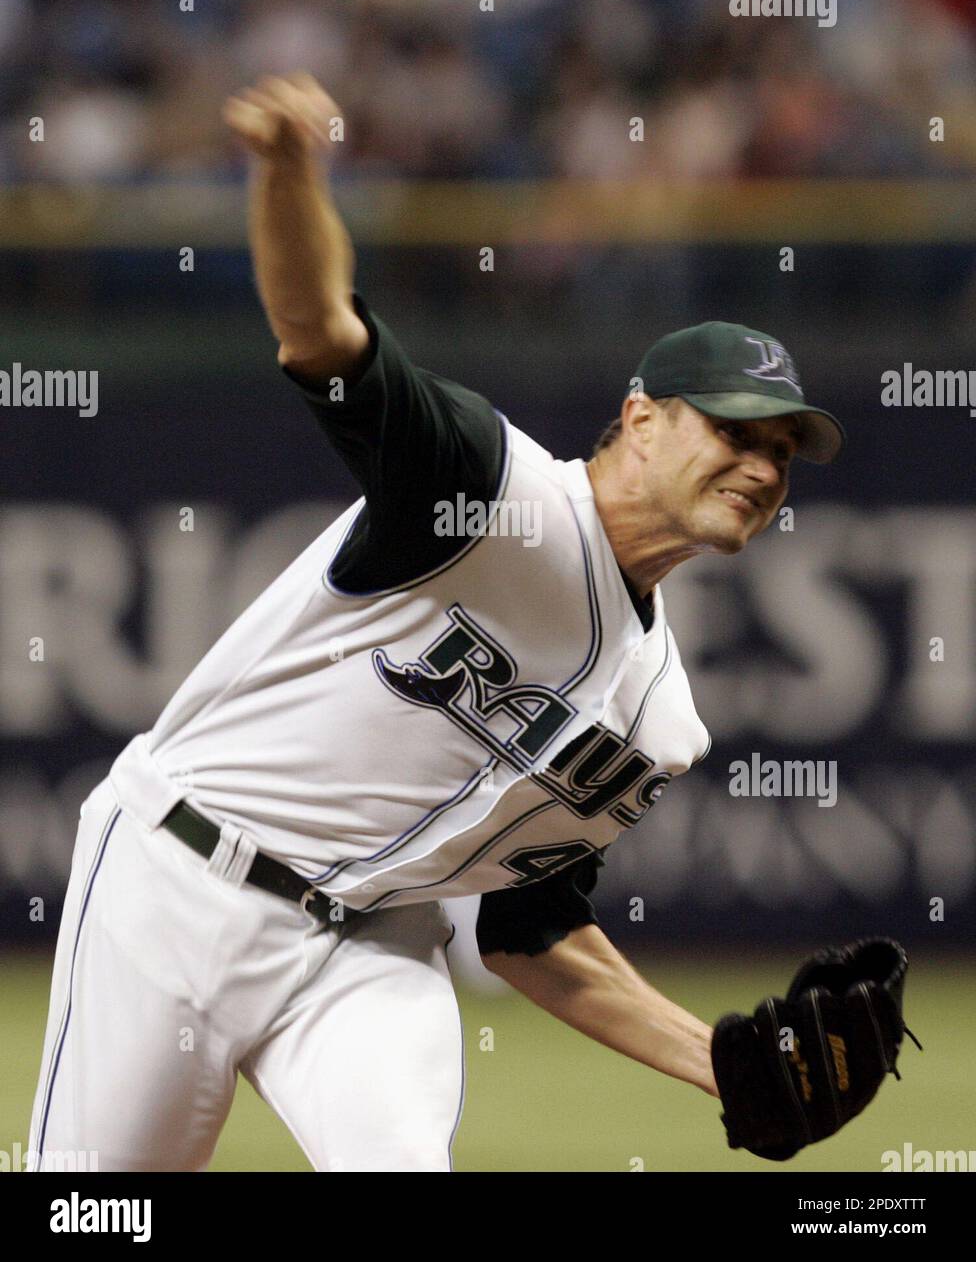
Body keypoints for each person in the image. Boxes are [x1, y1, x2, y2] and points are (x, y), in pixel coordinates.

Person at [28, 74, 844, 1173]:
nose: (759, 464)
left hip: (366, 945)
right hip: (175, 880)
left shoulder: (661, 723)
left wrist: (720, 1064)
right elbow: (319, 329)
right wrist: (286, 171)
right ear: (641, 420)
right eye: (736, 430)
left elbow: (525, 925)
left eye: (782, 453)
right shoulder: (486, 488)